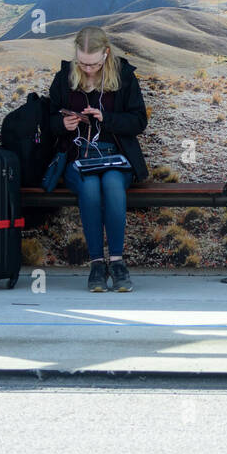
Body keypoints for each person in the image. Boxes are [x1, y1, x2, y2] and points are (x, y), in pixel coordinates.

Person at [47, 26, 149, 292]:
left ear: (106, 54)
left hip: (115, 156)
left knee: (113, 185)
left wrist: (108, 119)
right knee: (90, 188)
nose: (88, 68)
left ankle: (117, 263)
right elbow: (47, 121)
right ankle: (96, 265)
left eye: (93, 64)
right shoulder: (64, 76)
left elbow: (139, 121)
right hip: (78, 156)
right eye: (82, 63)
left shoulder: (124, 76)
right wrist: (64, 124)